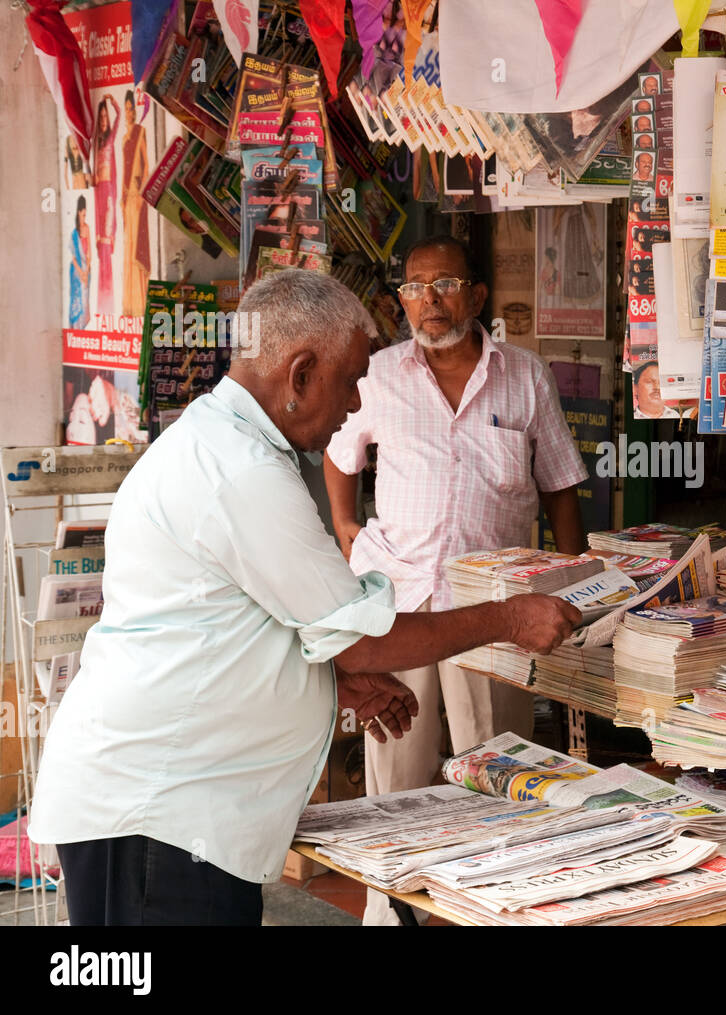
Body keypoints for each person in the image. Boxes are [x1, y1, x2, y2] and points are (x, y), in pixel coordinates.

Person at [28, 270, 580, 926]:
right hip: (159, 819)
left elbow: (229, 625)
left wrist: (317, 682)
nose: (354, 406)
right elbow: (364, 639)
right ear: (300, 374)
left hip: (163, 812)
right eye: (350, 383)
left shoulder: (219, 444)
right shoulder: (241, 471)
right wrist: (509, 615)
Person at [323, 238, 587, 925]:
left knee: (495, 771)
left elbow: (560, 487)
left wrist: (581, 588)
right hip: (398, 604)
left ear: (475, 296)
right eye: (415, 287)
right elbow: (339, 456)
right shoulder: (379, 374)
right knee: (396, 784)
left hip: (493, 614)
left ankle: (490, 909)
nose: (429, 300)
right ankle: (389, 915)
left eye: (444, 284)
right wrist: (348, 531)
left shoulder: (525, 376)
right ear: (401, 299)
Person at [120, 91, 151, 318]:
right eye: (126, 109)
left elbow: (147, 165)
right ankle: (131, 306)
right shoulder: (124, 138)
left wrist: (142, 195)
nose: (129, 113)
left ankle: (142, 303)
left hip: (138, 195)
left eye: (132, 109)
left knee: (137, 248)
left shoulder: (141, 133)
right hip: (126, 198)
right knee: (129, 248)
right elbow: (123, 168)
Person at [93, 95, 120, 313]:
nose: (103, 120)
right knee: (100, 235)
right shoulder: (98, 143)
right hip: (99, 190)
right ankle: (102, 286)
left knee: (108, 234)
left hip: (108, 189)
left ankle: (108, 285)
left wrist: (112, 103)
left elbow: (119, 117)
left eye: (105, 117)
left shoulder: (110, 138)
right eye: (100, 117)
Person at [69, 196, 91, 328]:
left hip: (86, 270)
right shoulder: (74, 233)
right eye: (83, 215)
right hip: (76, 272)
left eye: (86, 215)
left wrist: (86, 271)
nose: (84, 218)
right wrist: (81, 272)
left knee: (86, 300)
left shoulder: (87, 228)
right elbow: (73, 258)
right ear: (78, 213)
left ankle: (82, 329)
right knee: (77, 301)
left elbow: (89, 254)